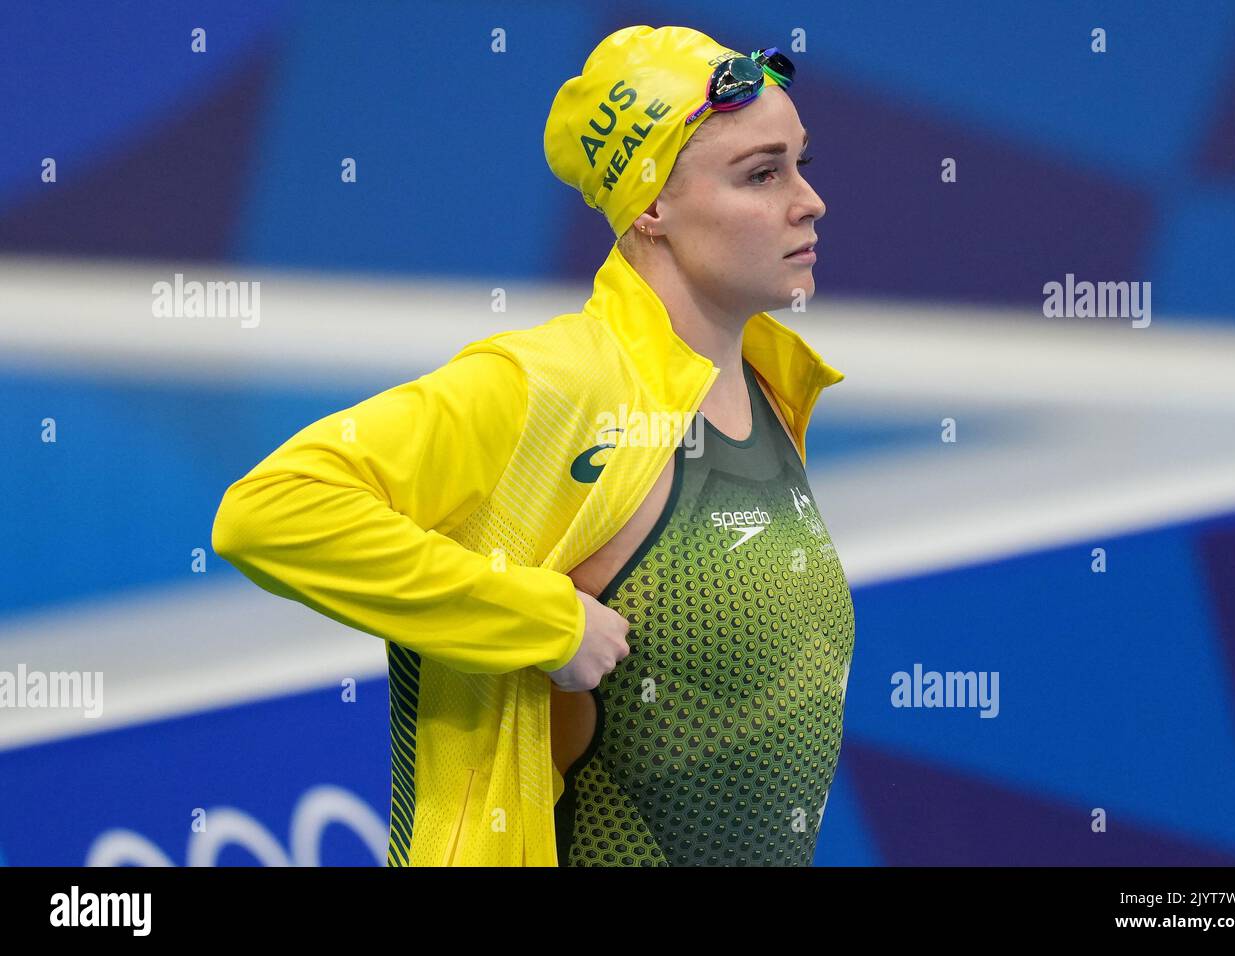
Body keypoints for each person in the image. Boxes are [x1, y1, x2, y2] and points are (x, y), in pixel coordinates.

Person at [211, 24, 852, 868]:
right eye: (761, 174)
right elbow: (267, 513)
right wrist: (537, 619)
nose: (808, 201)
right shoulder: (553, 384)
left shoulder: (770, 385)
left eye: (800, 163)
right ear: (651, 205)